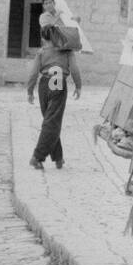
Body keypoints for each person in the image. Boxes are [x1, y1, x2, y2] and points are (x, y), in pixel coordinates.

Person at [26, 24, 81, 169]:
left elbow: (33, 73)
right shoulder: (67, 51)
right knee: (52, 122)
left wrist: (30, 91)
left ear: (43, 37)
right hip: (59, 85)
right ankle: (37, 156)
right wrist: (78, 85)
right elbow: (74, 69)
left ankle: (58, 157)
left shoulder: (41, 52)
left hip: (44, 85)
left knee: (50, 121)